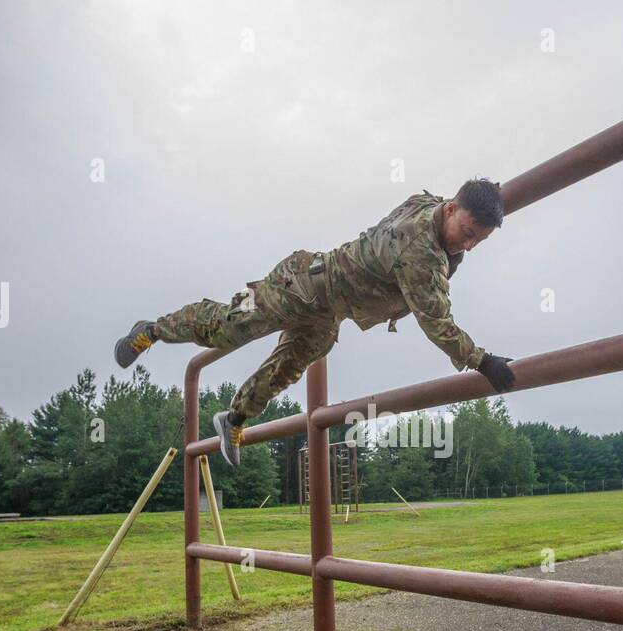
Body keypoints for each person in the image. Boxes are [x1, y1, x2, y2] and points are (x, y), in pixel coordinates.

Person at [114, 179, 516, 466]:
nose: (467, 245)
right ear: (450, 209)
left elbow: (451, 223)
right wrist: (482, 361)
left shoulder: (428, 202)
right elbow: (436, 322)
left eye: (477, 240)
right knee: (228, 328)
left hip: (328, 309)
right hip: (300, 283)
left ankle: (233, 418)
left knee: (290, 364)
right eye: (465, 232)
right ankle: (152, 331)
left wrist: (481, 204)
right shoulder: (421, 252)